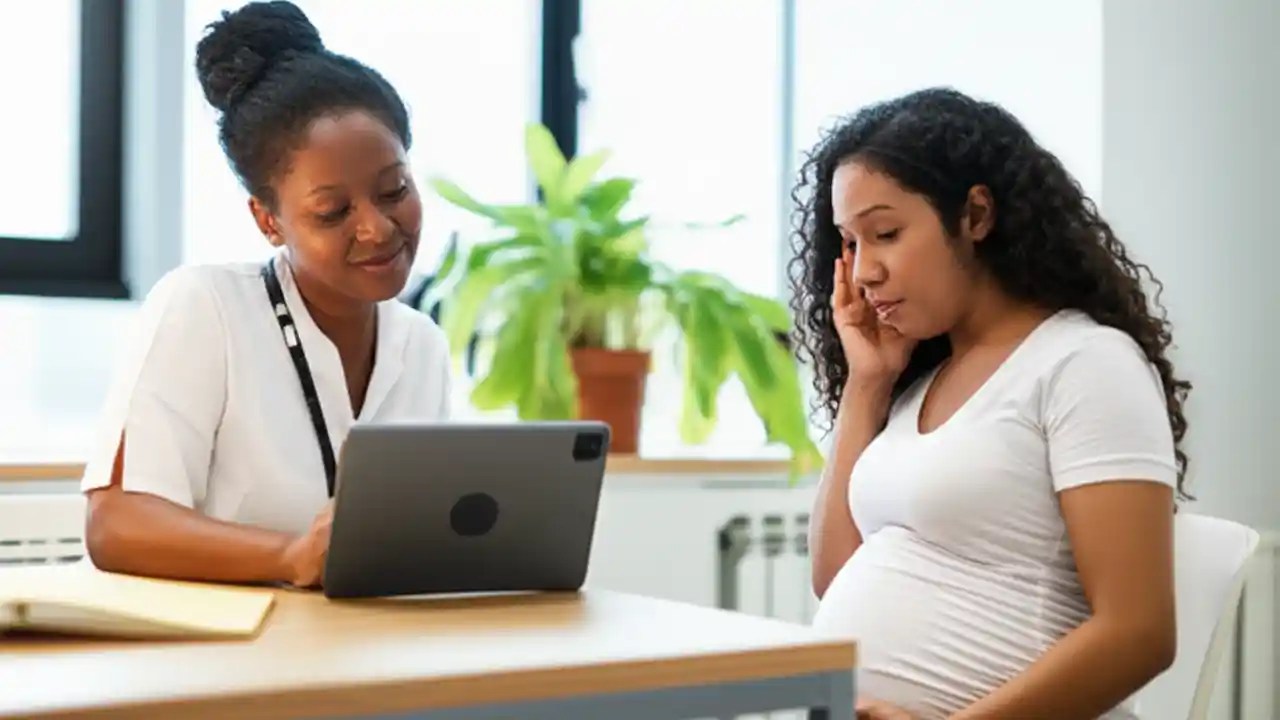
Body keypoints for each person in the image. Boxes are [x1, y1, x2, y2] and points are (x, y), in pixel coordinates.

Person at [790, 87, 1189, 720]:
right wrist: (867, 384)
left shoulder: (1085, 363)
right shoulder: (919, 385)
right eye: (850, 244)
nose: (864, 272)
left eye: (885, 233)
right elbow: (834, 578)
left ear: (975, 216)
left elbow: (1139, 634)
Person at [82, 1, 450, 590]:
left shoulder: (422, 345)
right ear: (269, 221)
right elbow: (116, 523)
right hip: (206, 657)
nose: (377, 228)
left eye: (393, 190)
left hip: (351, 651)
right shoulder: (206, 307)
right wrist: (289, 557)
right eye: (333, 212)